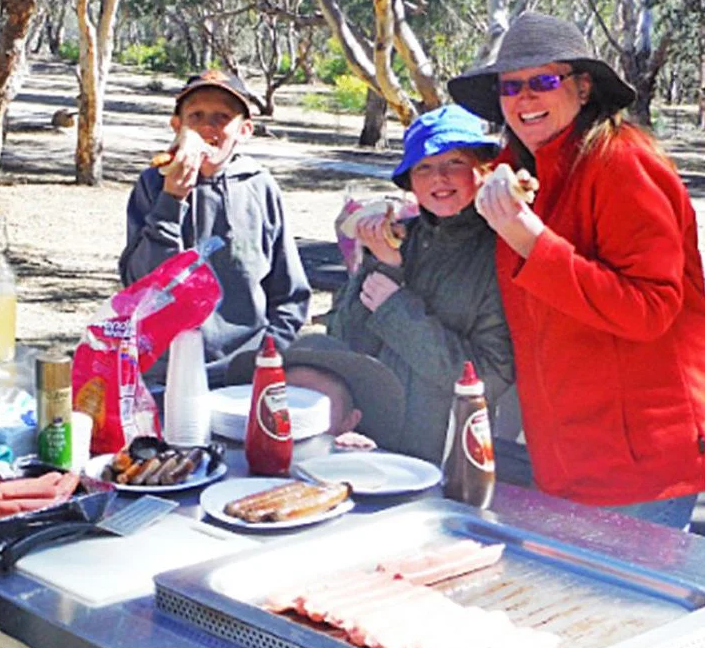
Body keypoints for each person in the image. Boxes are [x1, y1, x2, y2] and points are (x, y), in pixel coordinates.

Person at [451, 12, 705, 529]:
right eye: (511, 86)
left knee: (631, 605)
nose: (525, 98)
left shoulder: (623, 162)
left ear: (582, 88)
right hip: (568, 445)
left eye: (544, 81)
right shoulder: (519, 172)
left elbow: (650, 309)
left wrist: (533, 244)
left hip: (639, 454)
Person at [327, 105, 515, 463]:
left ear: (482, 168)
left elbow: (490, 377)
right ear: (410, 181)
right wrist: (386, 264)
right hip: (371, 445)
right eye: (424, 167)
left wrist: (397, 309)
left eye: (454, 163)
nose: (438, 178)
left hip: (452, 456)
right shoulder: (396, 239)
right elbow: (345, 343)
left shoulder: (501, 251)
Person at [120, 69, 311, 385]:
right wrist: (172, 199)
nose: (208, 126)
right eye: (196, 116)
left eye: (222, 117)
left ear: (244, 130)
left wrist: (268, 353)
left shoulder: (260, 187)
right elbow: (141, 284)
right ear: (177, 126)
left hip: (244, 371)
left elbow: (288, 291)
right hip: (164, 372)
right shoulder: (153, 183)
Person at [229, 333, 405, 449]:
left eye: (314, 401)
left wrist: (360, 461)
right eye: (285, 397)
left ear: (350, 420)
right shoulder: (244, 444)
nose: (295, 411)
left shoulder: (347, 451)